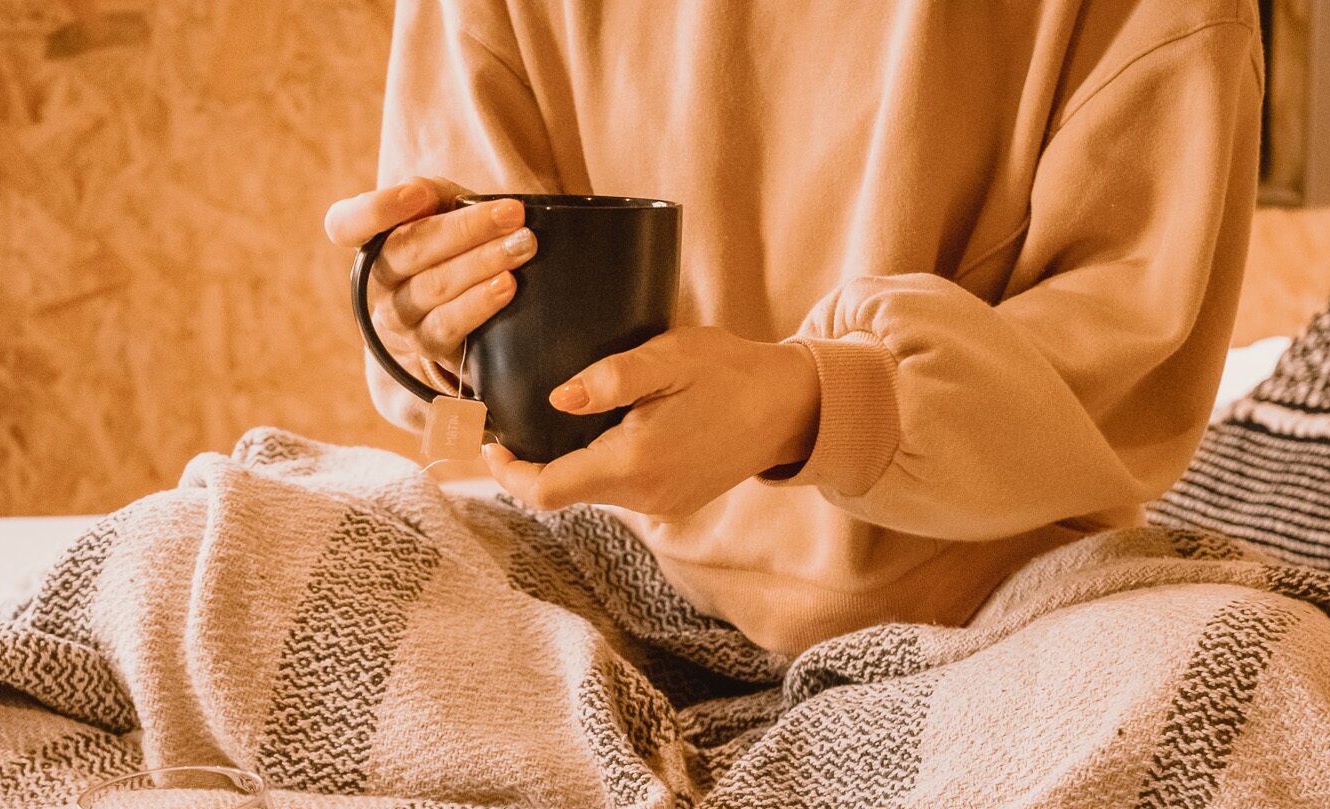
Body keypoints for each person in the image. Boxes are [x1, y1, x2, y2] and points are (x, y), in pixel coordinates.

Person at [326, 0, 1262, 657]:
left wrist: (818, 404)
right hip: (601, 571)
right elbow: (454, 367)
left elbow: (1133, 369)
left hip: (1003, 616)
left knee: (1252, 674)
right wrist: (433, 321)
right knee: (230, 557)